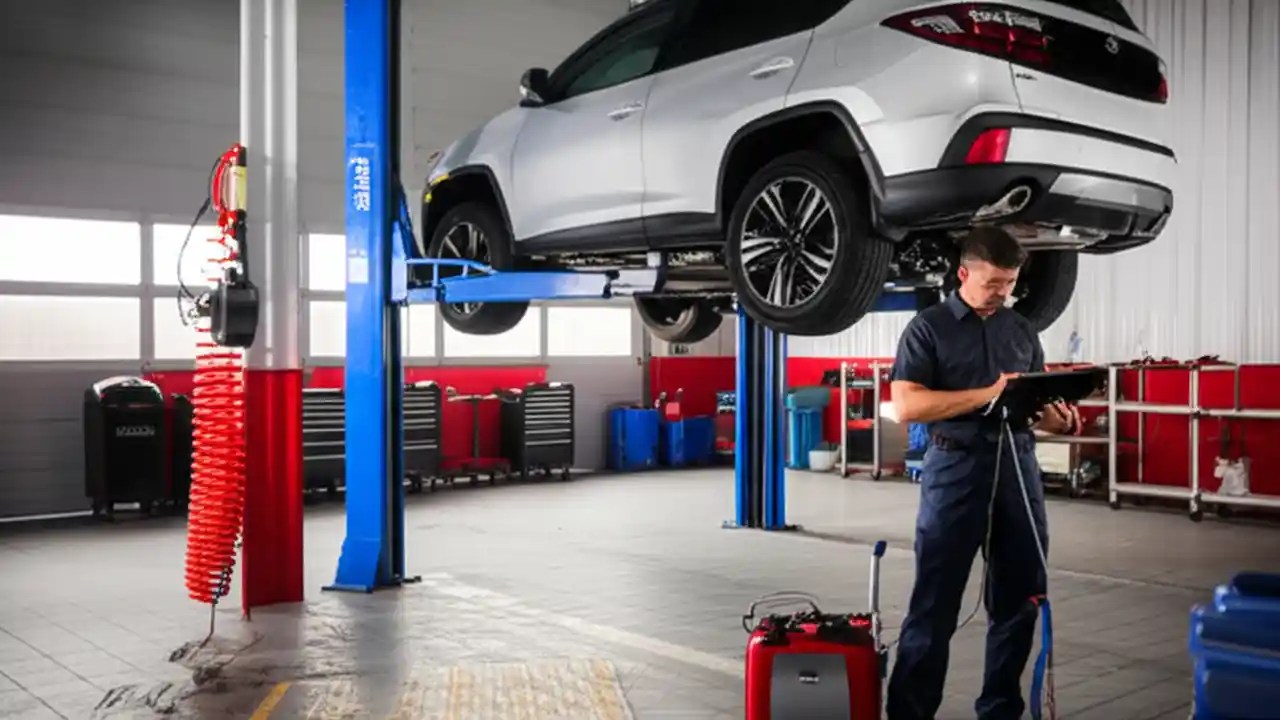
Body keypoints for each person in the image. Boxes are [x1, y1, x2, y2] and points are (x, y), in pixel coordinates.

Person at [885, 226, 1080, 720]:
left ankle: (999, 710)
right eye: (993, 283)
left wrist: (1057, 419)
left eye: (1010, 283)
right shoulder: (928, 328)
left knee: (1019, 601)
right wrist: (988, 394)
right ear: (963, 274)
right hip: (956, 469)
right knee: (934, 604)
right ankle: (910, 713)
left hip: (1017, 467)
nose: (1003, 293)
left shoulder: (1021, 330)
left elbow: (1035, 404)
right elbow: (907, 405)